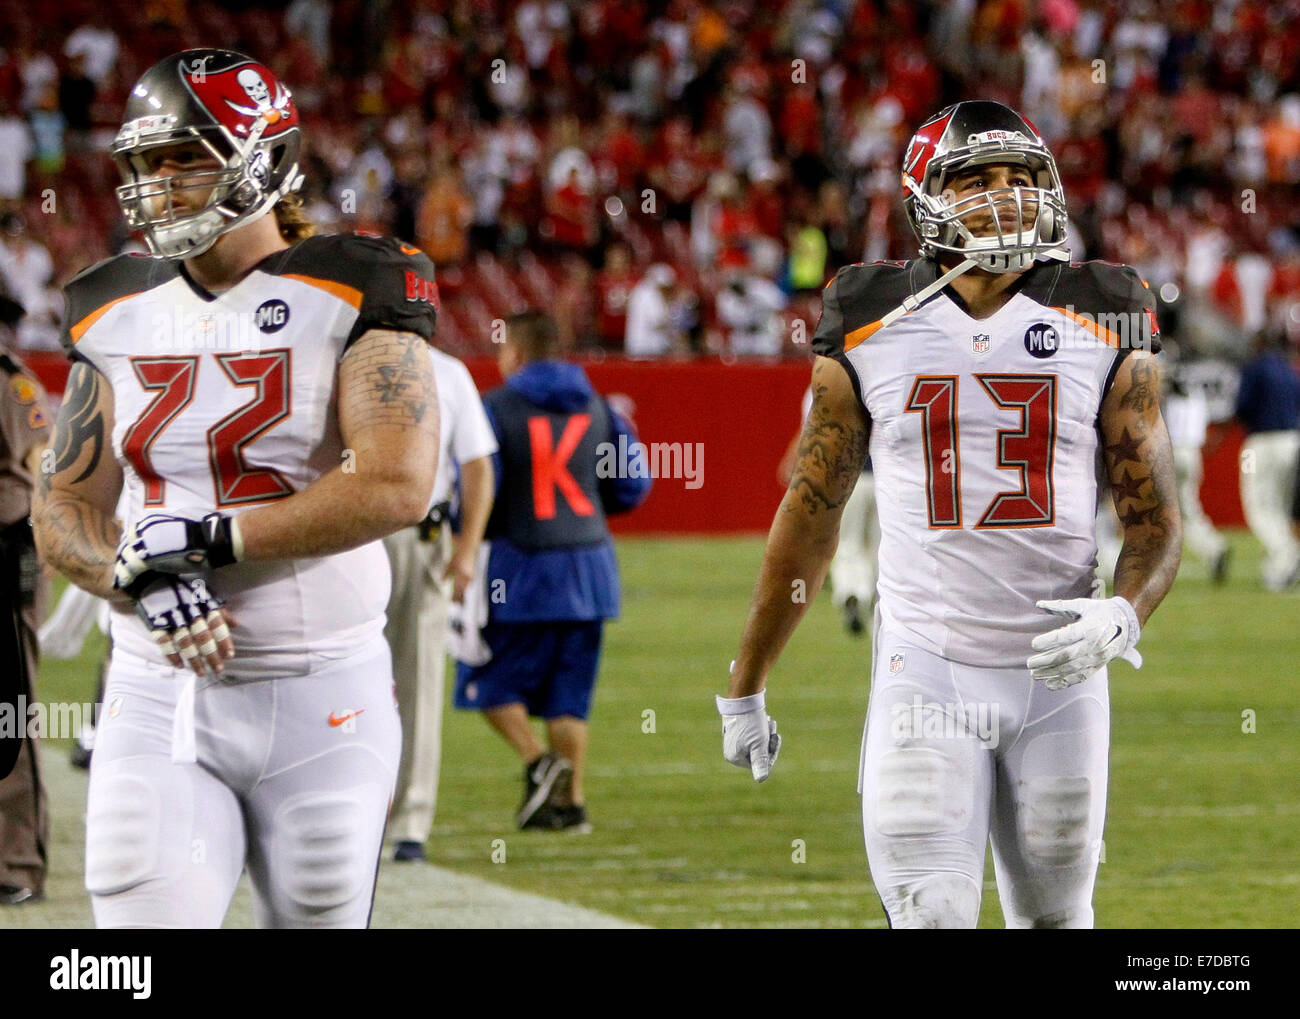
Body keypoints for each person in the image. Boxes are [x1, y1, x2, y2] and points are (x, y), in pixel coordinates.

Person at [718, 101, 1183, 929]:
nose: (1005, 197)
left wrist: (1124, 612)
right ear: (924, 197)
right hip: (925, 665)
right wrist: (746, 683)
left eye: (1022, 178)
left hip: (1060, 677)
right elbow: (812, 512)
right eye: (977, 179)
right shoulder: (869, 317)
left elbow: (1153, 520)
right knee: (929, 917)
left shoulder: (1108, 307)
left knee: (1057, 918)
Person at [31, 49, 440, 928]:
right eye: (145, 164)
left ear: (258, 153)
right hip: (153, 690)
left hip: (323, 691)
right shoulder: (113, 306)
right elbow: (63, 505)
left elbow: (400, 482)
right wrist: (133, 573)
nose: (158, 184)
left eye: (184, 157)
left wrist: (210, 539)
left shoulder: (356, 280)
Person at [455, 311, 650, 831]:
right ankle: (571, 806)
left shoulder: (494, 408)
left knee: (482, 680)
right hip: (590, 571)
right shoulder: (601, 408)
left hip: (520, 570)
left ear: (514, 353)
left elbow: (475, 491)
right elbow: (632, 487)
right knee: (569, 699)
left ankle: (539, 763)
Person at [386, 347, 496, 863]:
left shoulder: (449, 372)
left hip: (421, 536)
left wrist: (469, 547)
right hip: (343, 532)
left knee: (419, 677)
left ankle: (410, 818)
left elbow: (477, 466)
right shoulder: (341, 353)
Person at [0, 312, 52, 906]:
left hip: (8, 549)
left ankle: (18, 860)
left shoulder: (10, 381)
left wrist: (47, 542)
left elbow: (45, 462)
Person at [1233, 332, 1300, 590]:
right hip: (1292, 442)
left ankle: (1286, 553)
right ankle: (1282, 563)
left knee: (1258, 506)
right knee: (1282, 507)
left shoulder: (1255, 369)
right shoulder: (1289, 370)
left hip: (1258, 445)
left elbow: (1242, 407)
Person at [1163, 354, 1229, 582]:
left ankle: (1164, 560)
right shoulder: (1197, 398)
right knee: (1190, 508)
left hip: (1171, 453)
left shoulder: (1169, 401)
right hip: (1192, 453)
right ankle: (1213, 546)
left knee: (1163, 512)